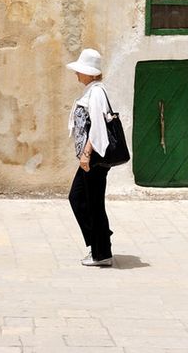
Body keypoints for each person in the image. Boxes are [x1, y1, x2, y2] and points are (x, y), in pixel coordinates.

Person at [66, 47, 114, 268]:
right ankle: (99, 242)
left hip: (93, 159)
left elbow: (98, 127)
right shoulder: (92, 91)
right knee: (80, 199)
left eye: (80, 71)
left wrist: (86, 154)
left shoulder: (96, 93)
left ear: (90, 73)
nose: (77, 74)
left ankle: (101, 252)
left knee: (90, 202)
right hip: (90, 158)